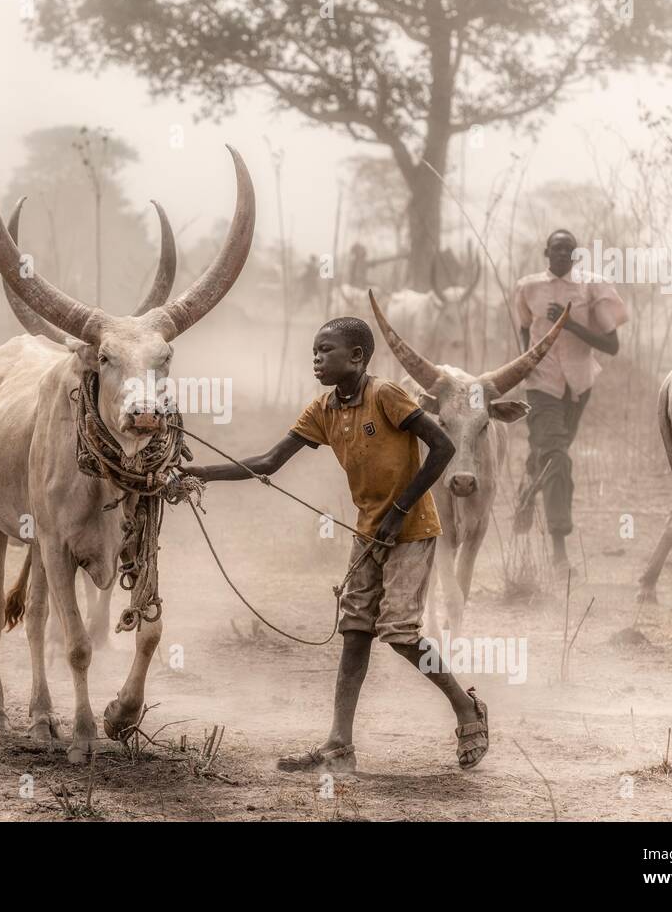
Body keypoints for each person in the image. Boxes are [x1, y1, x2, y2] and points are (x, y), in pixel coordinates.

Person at [182, 317, 489, 773]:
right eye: (314, 352)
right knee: (355, 632)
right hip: (368, 531)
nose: (317, 359)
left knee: (401, 633)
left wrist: (401, 508)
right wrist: (200, 473)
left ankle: (466, 709)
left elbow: (442, 447)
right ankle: (339, 744)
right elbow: (269, 461)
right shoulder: (322, 410)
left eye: (326, 350)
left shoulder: (386, 395)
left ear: (357, 357)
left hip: (411, 529)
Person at [513, 230, 629, 571]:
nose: (562, 253)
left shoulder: (593, 287)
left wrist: (571, 324)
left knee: (548, 453)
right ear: (545, 251)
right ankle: (560, 552)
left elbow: (612, 346)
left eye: (569, 249)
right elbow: (524, 328)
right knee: (558, 459)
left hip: (578, 385)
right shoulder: (527, 287)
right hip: (541, 385)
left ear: (576, 255)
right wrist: (526, 362)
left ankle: (525, 493)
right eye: (556, 248)